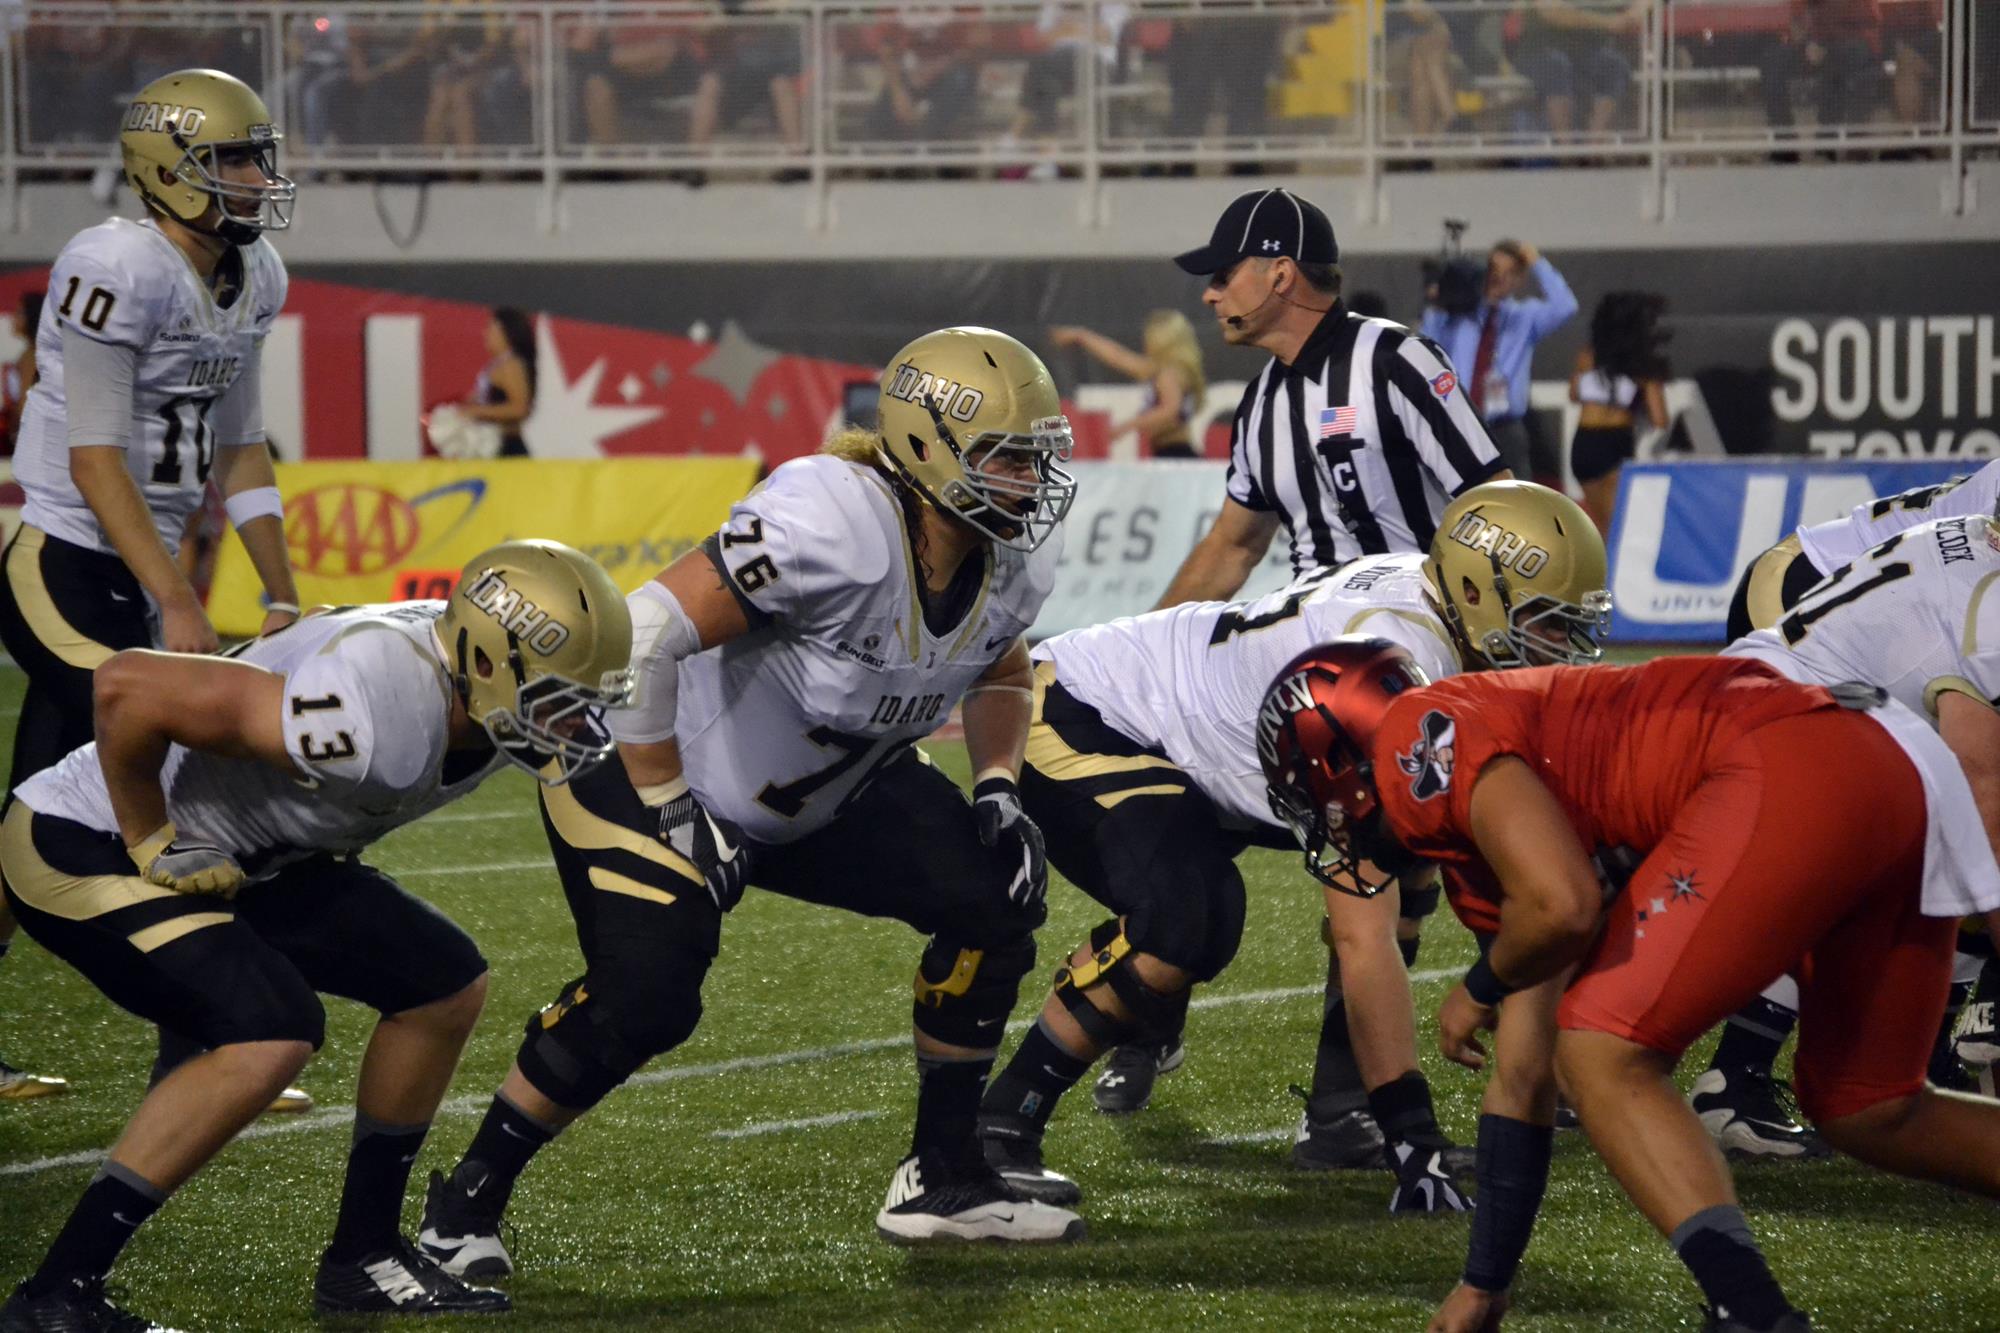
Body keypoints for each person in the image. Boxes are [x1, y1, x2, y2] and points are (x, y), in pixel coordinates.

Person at [419, 327, 1084, 1284]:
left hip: (825, 789)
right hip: (645, 759)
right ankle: (464, 1205)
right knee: (651, 990)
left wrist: (997, 787)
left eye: (1036, 457)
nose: (1029, 481)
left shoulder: (1008, 558)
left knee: (994, 896)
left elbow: (1002, 667)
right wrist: (671, 805)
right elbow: (643, 636)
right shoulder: (837, 522)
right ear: (928, 444)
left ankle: (942, 1176)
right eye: (1007, 456)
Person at [1258, 644, 2000, 1333]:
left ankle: (1750, 1313)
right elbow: (1523, 1074)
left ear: (1339, 761)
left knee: (1603, 1049)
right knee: (1870, 1105)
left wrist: (1478, 987)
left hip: (1788, 754)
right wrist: (1485, 1281)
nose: (1327, 829)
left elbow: (1563, 904)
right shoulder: (1479, 842)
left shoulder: (1414, 736)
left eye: (1310, 796)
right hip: (1891, 762)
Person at [0, 541, 636, 1329]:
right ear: (483, 661)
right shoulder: (372, 709)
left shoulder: (476, 694)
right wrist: (151, 837)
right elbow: (129, 685)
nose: (574, 721)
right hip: (82, 834)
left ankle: (362, 1256)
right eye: (558, 696)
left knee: (443, 984)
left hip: (255, 856)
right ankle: (56, 1295)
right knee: (270, 1031)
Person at [975, 481, 1609, 1210]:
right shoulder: (1392, 671)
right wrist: (1415, 1138)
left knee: (1412, 859)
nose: (1561, 647)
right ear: (1473, 591)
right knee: (1191, 918)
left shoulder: (1429, 614)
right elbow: (1362, 933)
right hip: (1087, 709)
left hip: (1209, 738)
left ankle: (1342, 1116)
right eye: (1544, 621)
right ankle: (1000, 1124)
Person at [0, 69, 309, 1113]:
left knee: (34, 803)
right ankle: (209, 1033)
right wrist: (177, 599)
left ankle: (204, 1036)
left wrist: (280, 592)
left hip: (138, 573)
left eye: (258, 157)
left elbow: (243, 445)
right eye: (232, 159)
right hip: (65, 562)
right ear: (167, 168)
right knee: (181, 767)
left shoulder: (254, 271)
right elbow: (94, 460)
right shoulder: (116, 265)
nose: (255, 178)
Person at [1694, 461, 2000, 1160]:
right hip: (1799, 624)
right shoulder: (1986, 611)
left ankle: (1926, 1052)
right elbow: (1983, 810)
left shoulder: (1976, 572)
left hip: (1840, 642)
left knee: (1929, 836)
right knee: (1892, 839)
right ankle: (1739, 1069)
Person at [1158, 187, 1508, 609]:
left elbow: (1496, 500)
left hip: (1422, 620)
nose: (1209, 294)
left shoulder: (1394, 360)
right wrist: (1140, 637)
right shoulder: (1258, 405)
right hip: (1317, 631)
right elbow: (1233, 548)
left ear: (1281, 275)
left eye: (1223, 276)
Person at [1421, 238, 1576, 481]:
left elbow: (1565, 306)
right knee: (1448, 494)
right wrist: (1443, 299)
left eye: (1509, 272)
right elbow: (1425, 347)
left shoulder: (1524, 317)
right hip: (1457, 422)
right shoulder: (1457, 314)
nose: (1498, 278)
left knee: (1513, 497)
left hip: (1504, 429)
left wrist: (1536, 261)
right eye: (1493, 269)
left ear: (1520, 280)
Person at [1569, 291, 1668, 537]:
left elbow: (1574, 394)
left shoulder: (1587, 355)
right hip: (1614, 443)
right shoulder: (1643, 366)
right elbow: (1659, 419)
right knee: (1618, 528)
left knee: (1602, 527)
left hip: (1583, 445)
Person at [1050, 311, 1207, 459]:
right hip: (1169, 451)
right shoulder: (1165, 370)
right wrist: (1082, 336)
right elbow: (1118, 357)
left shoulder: (1169, 373)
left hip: (1176, 452)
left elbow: (1169, 410)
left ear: (1161, 340)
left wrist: (1125, 427)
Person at [458, 307, 536, 458]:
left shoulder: (511, 365)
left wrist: (476, 411)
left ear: (506, 333)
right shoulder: (497, 365)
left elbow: (520, 408)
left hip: (508, 449)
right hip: (490, 445)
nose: (485, 334)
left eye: (490, 329)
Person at [1, 291, 41, 454]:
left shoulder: (32, 356)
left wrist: (17, 434)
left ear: (32, 317)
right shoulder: (28, 353)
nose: (13, 319)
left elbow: (26, 402)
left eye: (19, 313)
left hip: (28, 436)